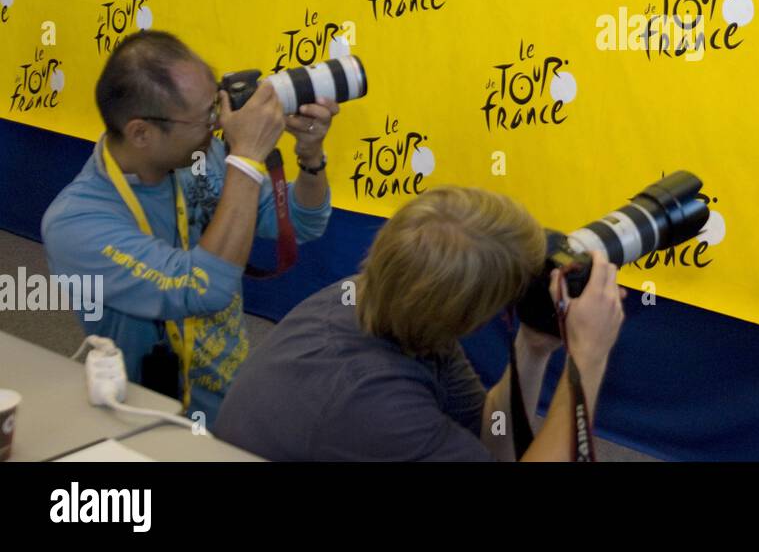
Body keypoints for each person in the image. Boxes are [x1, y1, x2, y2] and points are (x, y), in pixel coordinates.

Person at [41, 31, 337, 421]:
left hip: (234, 396)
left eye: (216, 103)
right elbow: (202, 287)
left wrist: (310, 155)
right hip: (148, 415)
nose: (219, 124)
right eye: (205, 117)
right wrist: (246, 158)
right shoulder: (76, 225)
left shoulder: (202, 155)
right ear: (141, 132)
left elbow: (300, 223)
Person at [215, 187, 625, 461]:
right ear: (474, 314)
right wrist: (588, 358)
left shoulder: (387, 301)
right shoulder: (378, 403)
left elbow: (491, 433)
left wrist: (532, 348)